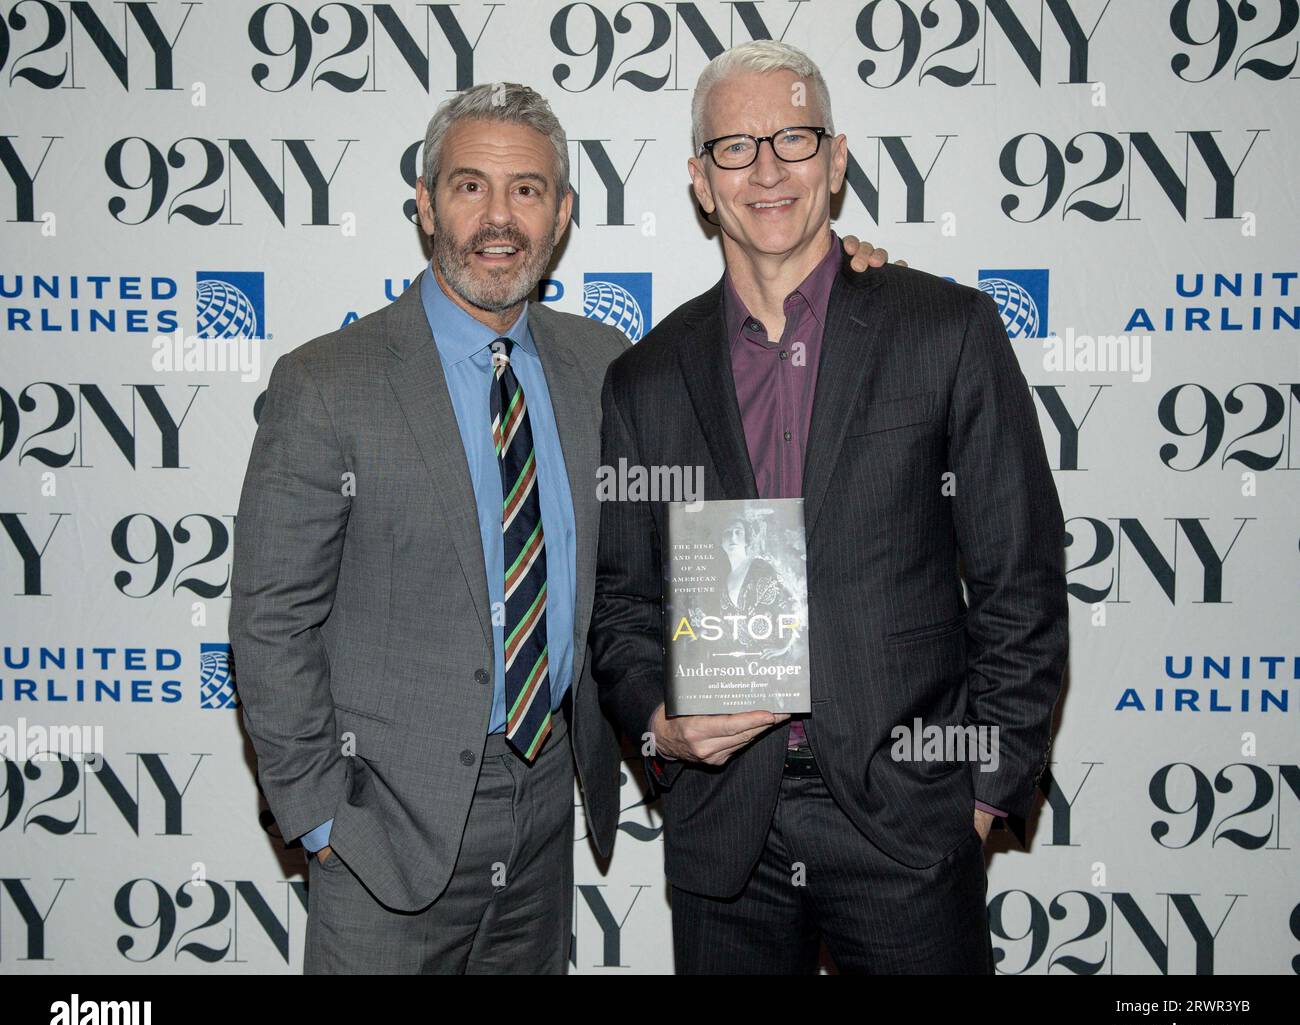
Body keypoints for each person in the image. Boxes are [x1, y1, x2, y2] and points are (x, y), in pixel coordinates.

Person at [229, 81, 894, 974]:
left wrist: (842, 282)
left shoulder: (609, 369)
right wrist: (320, 816)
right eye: (470, 187)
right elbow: (270, 622)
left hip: (548, 811)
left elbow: (665, 561)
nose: (498, 219)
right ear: (425, 205)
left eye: (529, 191)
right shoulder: (327, 382)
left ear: (564, 214)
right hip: (379, 830)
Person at [590, 41, 1069, 974]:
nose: (767, 169)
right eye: (735, 147)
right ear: (699, 180)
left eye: (794, 138)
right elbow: (621, 605)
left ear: (837, 159)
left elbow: (1021, 580)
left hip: (910, 824)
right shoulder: (644, 381)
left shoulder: (945, 331)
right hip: (725, 829)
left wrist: (979, 793)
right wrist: (657, 721)